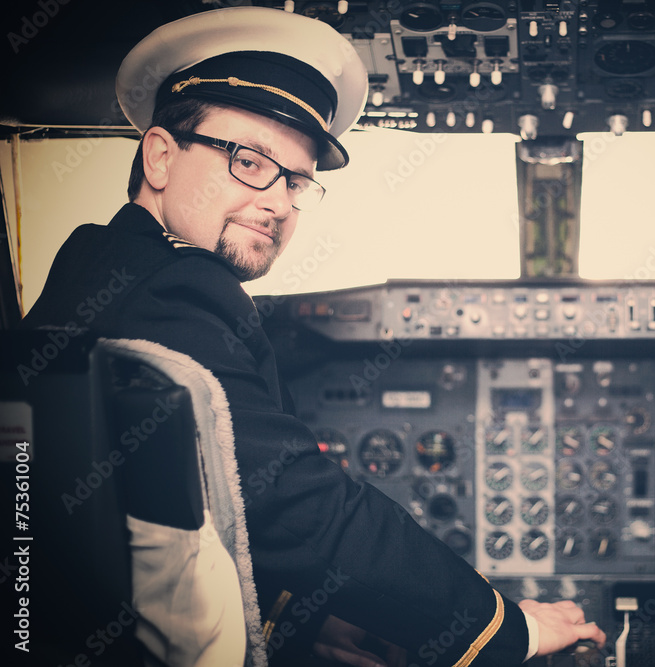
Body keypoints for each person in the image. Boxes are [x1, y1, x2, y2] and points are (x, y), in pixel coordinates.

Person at [20, 6, 605, 666]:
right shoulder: (178, 287)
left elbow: (190, 528)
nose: (278, 202)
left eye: (296, 181)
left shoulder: (94, 264)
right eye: (248, 161)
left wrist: (298, 624)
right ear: (160, 155)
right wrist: (502, 627)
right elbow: (297, 505)